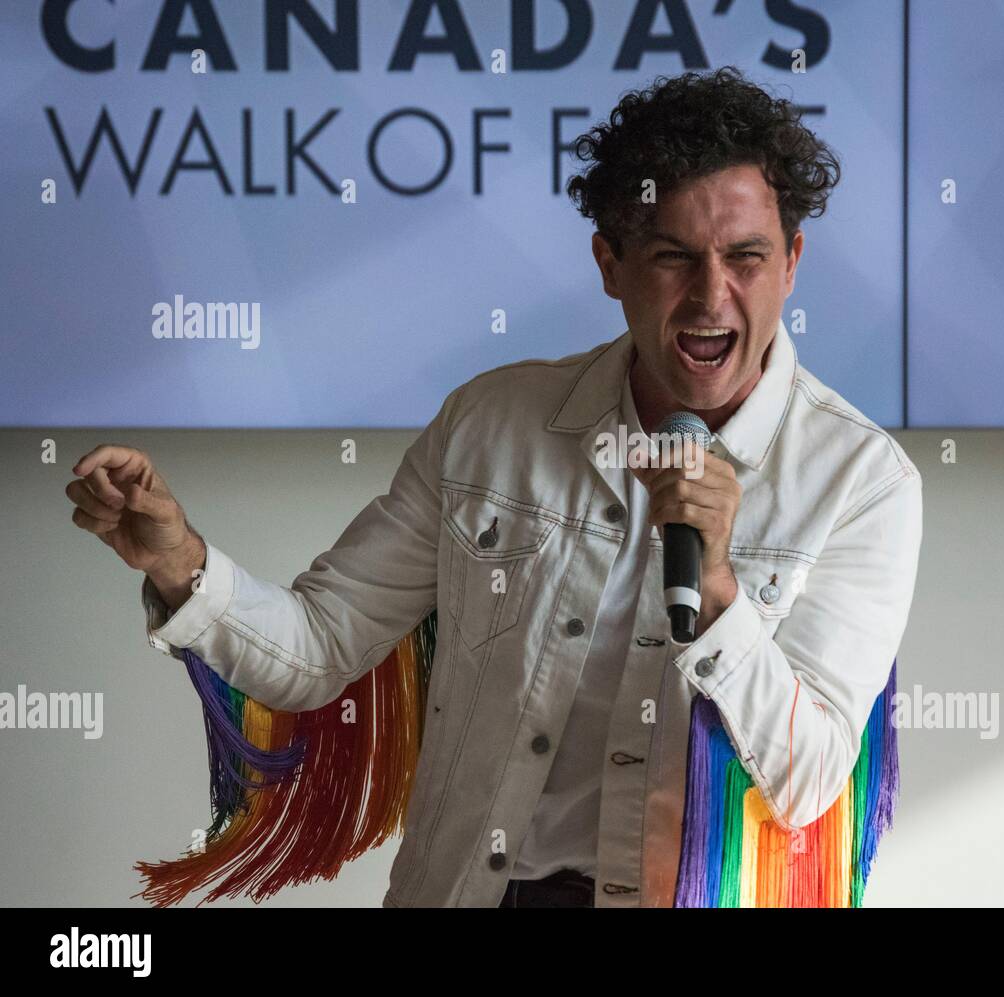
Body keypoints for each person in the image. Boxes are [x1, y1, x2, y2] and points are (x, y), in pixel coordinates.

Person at [66, 67, 923, 908]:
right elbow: (318, 648)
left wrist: (724, 591)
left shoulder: (862, 482)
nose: (712, 294)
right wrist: (178, 559)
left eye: (746, 256)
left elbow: (810, 780)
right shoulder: (489, 424)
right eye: (672, 257)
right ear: (610, 262)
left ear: (792, 261)